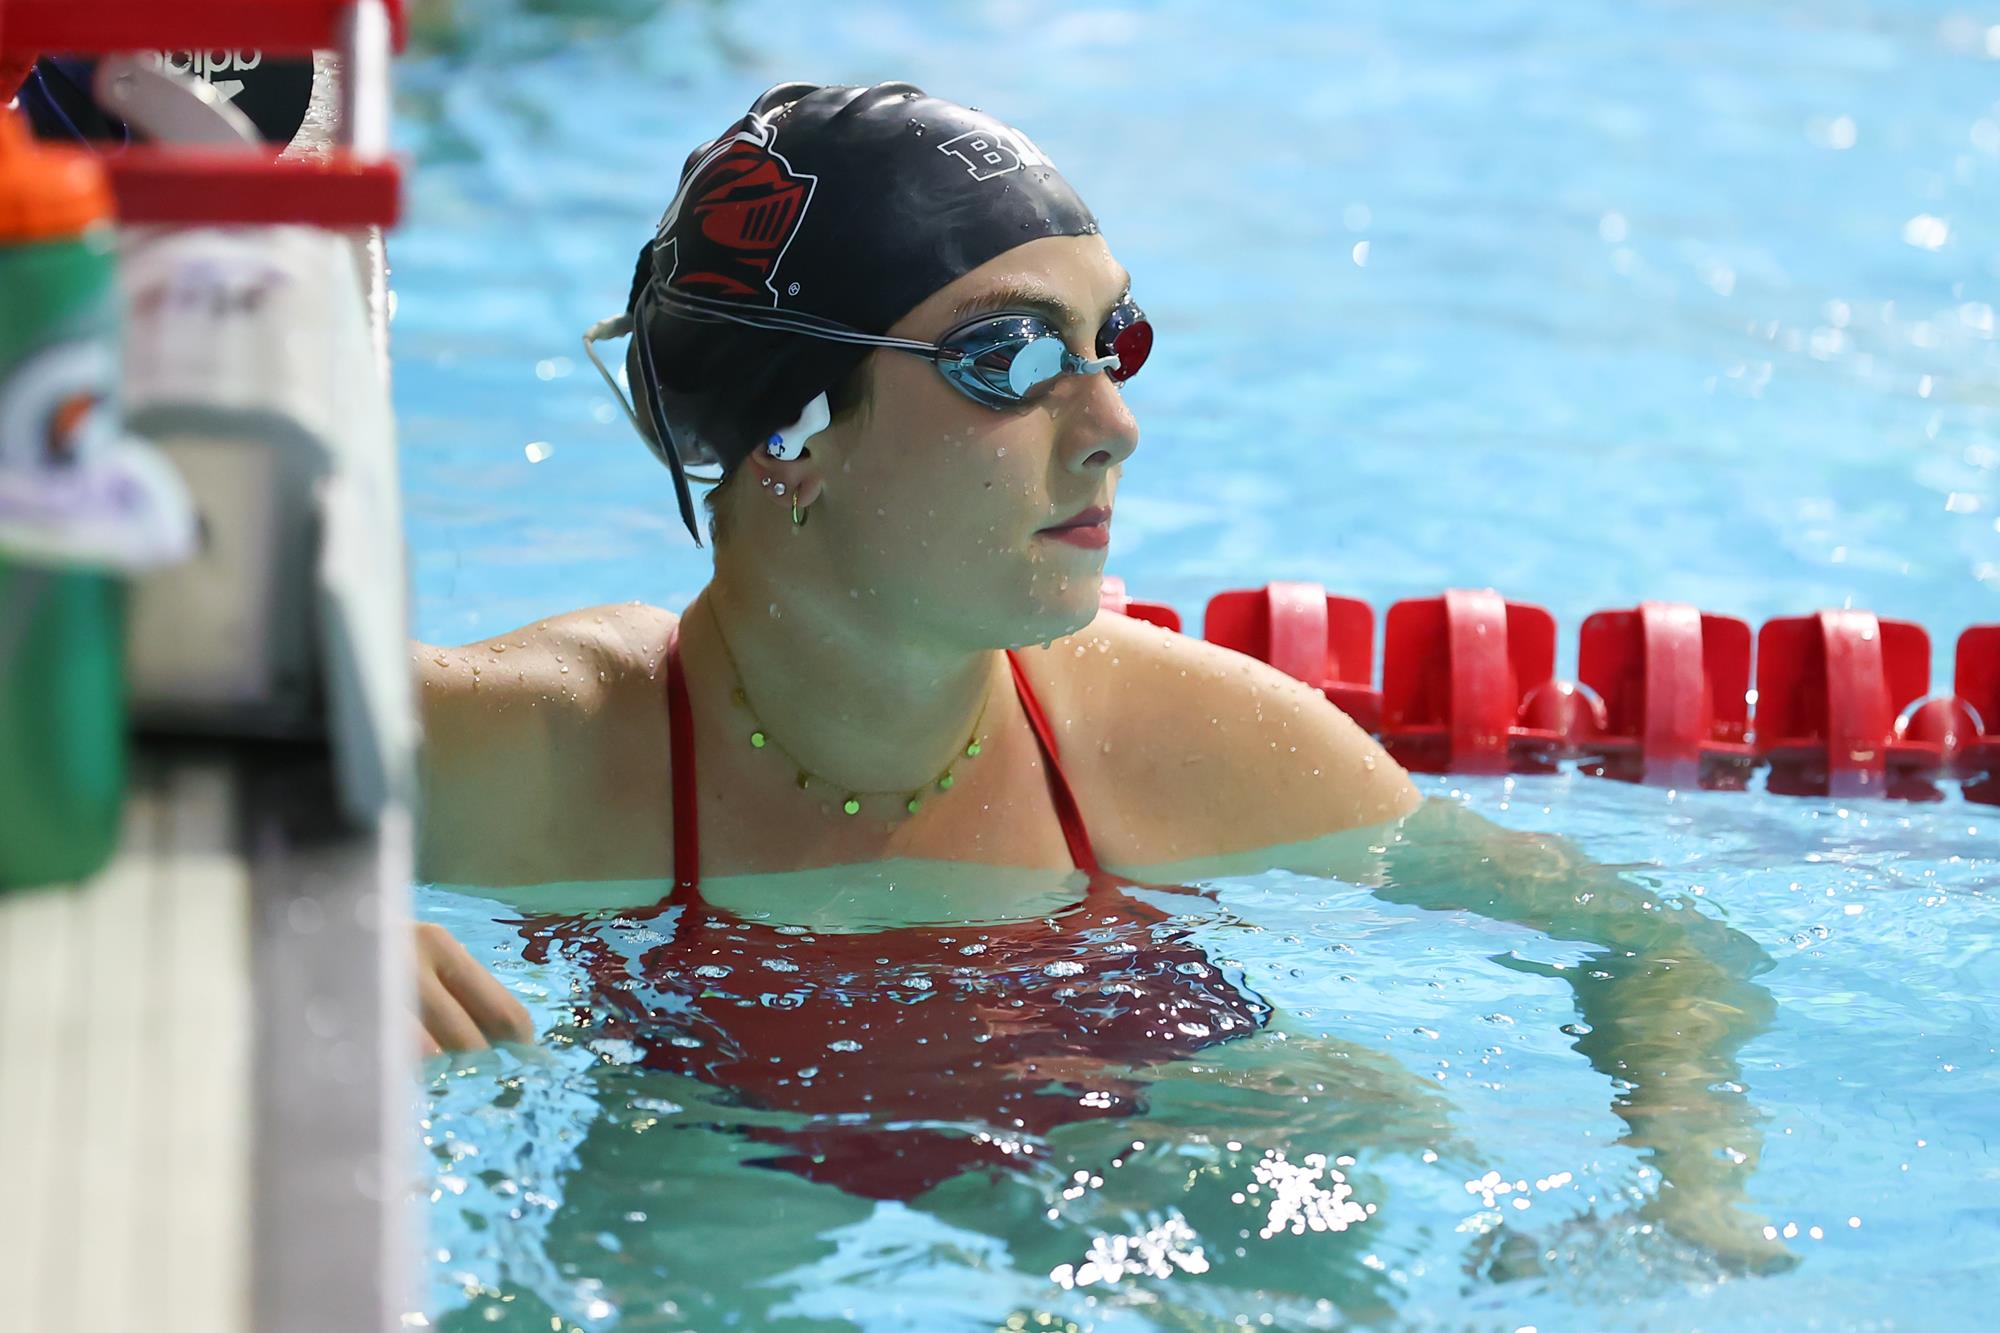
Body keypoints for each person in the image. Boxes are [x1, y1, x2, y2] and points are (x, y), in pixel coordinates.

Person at [409, 83, 1791, 1270]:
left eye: (1112, 342)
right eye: (1006, 357)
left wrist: (1688, 1190)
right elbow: (195, 733)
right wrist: (301, 924)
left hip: (1128, 1127)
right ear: (794, 437)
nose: (1115, 424)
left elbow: (1663, 940)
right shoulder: (550, 747)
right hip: (698, 1149)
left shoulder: (1186, 743)